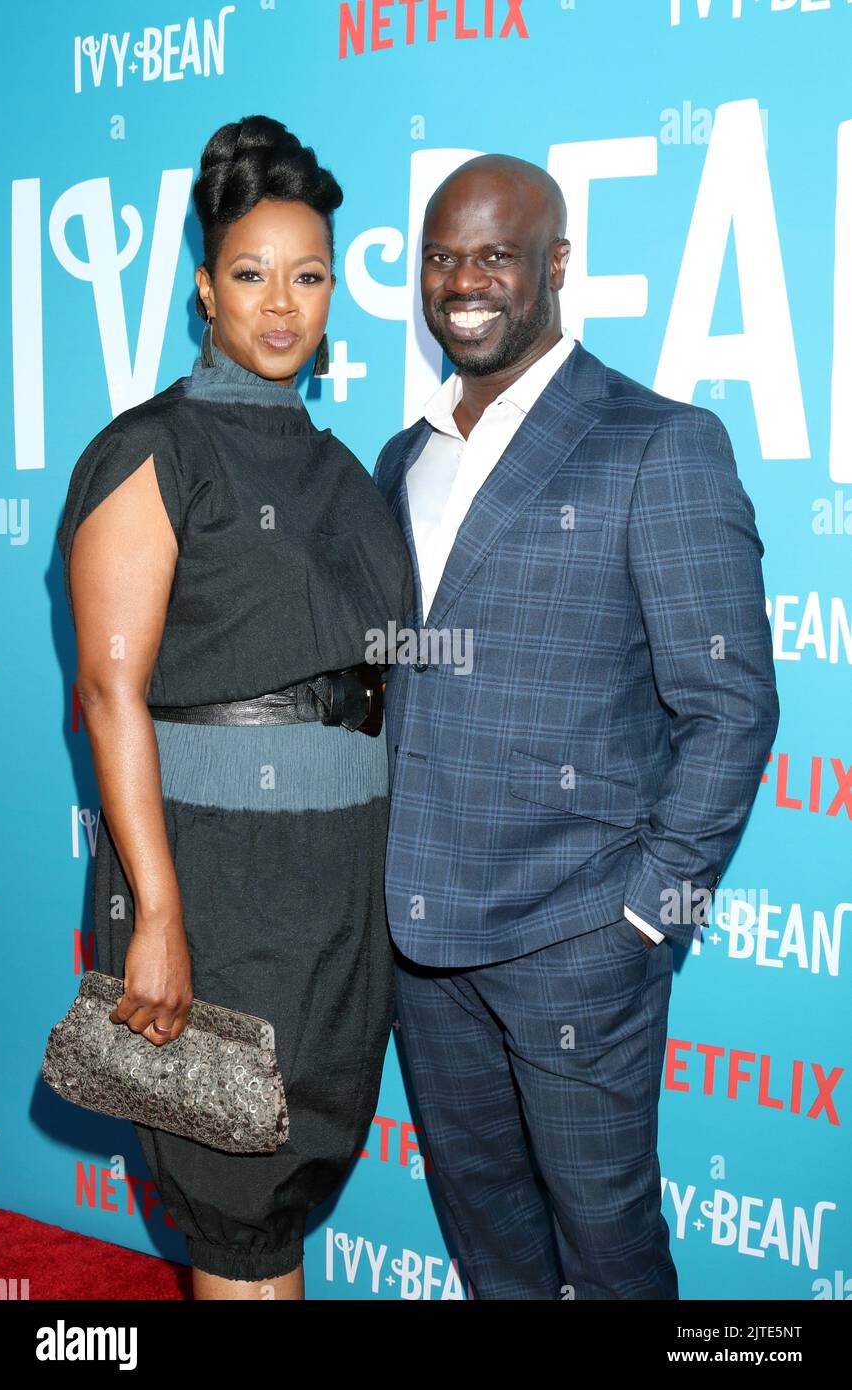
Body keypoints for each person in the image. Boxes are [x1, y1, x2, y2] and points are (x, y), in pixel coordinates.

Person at [374, 154, 780, 1300]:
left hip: (576, 946)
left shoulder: (655, 442)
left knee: (606, 1251)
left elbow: (730, 705)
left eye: (495, 254)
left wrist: (642, 917)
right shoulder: (400, 458)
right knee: (487, 1238)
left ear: (554, 265)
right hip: (423, 945)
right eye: (442, 256)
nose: (464, 279)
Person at [57, 115, 413, 1301]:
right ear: (205, 287)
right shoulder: (151, 452)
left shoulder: (342, 468)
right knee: (238, 1219)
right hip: (217, 881)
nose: (280, 303)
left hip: (334, 887)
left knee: (287, 1198)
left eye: (306, 276)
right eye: (250, 274)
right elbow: (109, 689)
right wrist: (157, 912)